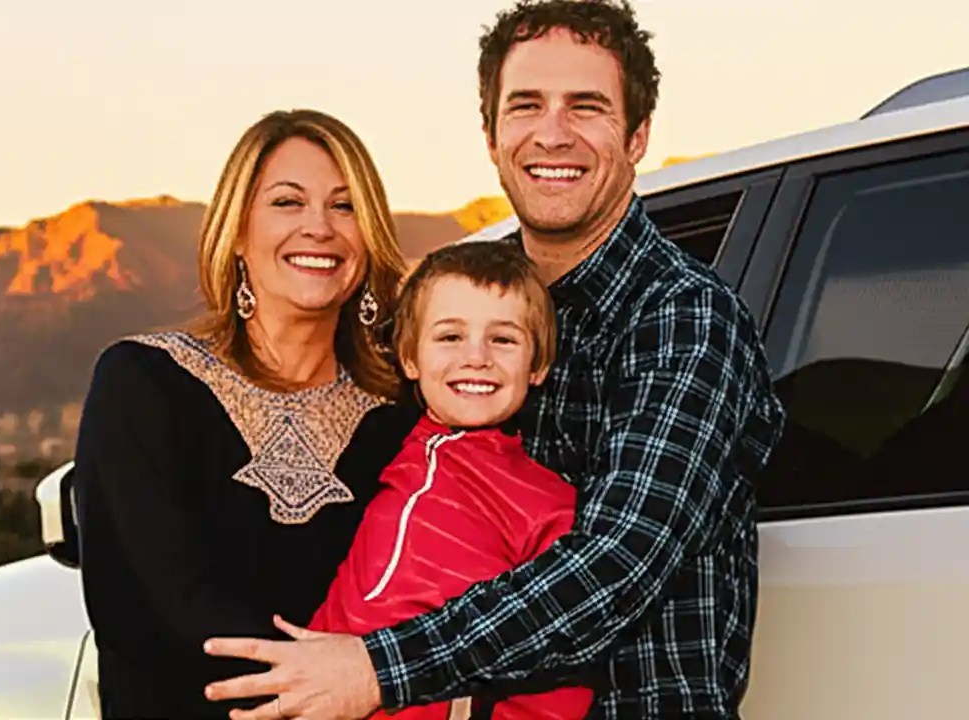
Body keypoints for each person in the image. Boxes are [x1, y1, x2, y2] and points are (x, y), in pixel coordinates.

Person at [201, 1, 787, 718]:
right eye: (526, 105)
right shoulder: (454, 301)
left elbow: (617, 563)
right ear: (490, 134)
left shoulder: (682, 319)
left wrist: (377, 668)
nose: (552, 134)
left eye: (587, 107)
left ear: (637, 136)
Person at [72, 108, 419, 719]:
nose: (320, 228)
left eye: (345, 207)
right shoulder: (144, 383)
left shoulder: (403, 416)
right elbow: (159, 610)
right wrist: (340, 683)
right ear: (236, 232)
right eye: (288, 203)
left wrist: (379, 678)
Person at [307, 241, 594, 720]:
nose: (476, 357)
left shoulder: (550, 505)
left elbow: (561, 682)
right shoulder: (382, 447)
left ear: (538, 365)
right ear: (410, 359)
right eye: (450, 337)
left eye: (503, 340)